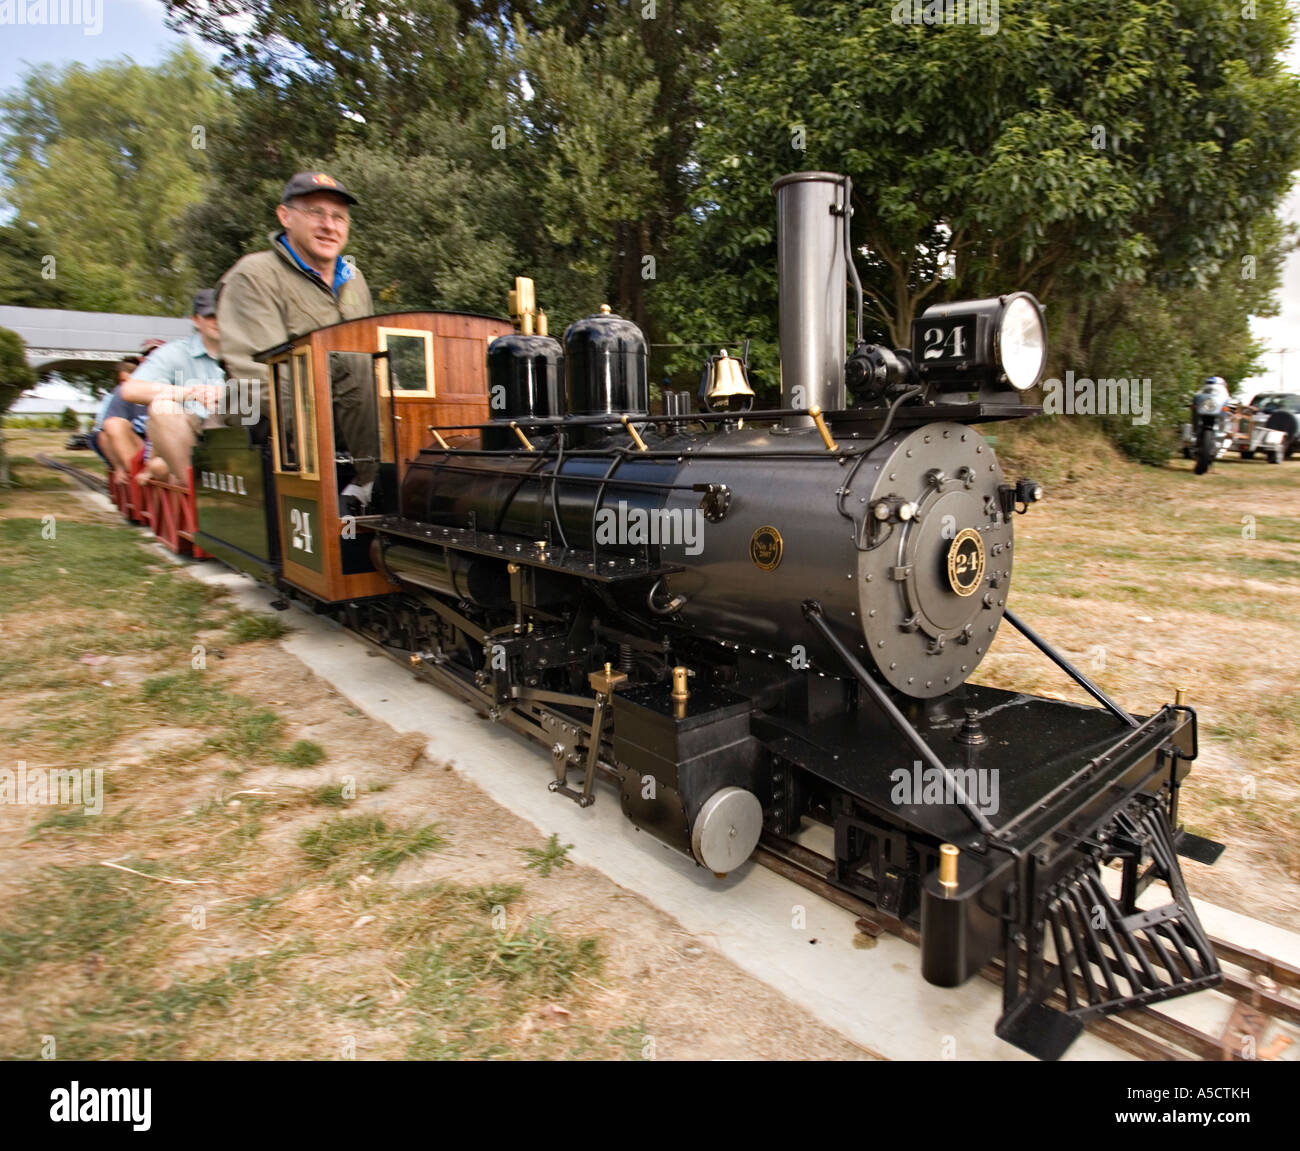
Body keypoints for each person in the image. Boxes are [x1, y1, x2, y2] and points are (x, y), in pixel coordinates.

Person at [216, 171, 376, 509]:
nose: (329, 225)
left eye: (338, 217)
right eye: (315, 213)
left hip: (344, 417)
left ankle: (377, 485)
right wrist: (319, 440)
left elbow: (372, 356)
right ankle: (371, 488)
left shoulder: (354, 279)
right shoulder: (254, 275)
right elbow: (259, 375)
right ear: (285, 216)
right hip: (266, 418)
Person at [118, 290, 226, 484]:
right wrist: (192, 393)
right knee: (161, 407)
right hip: (190, 434)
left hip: (233, 429)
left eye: (222, 314)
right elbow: (130, 390)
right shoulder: (174, 352)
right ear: (195, 319)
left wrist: (227, 395)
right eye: (210, 316)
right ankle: (196, 489)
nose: (217, 321)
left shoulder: (247, 350)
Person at [90, 358, 145, 484]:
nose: (126, 385)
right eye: (123, 381)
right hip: (133, 439)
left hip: (151, 440)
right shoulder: (119, 394)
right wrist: (118, 467)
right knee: (105, 432)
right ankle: (133, 476)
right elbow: (106, 430)